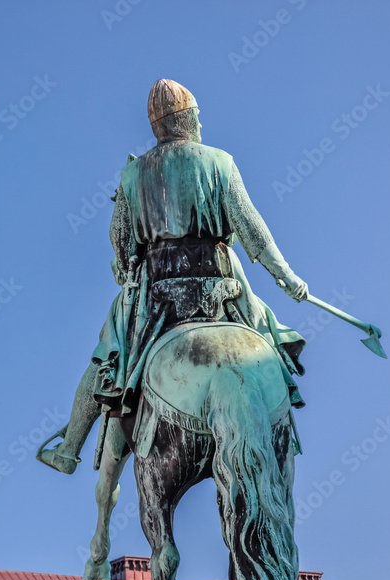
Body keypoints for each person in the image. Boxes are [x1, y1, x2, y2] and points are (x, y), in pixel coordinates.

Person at [38, 79, 308, 475]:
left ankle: (69, 449)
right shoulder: (220, 161)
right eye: (197, 116)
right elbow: (253, 229)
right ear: (189, 119)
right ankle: (279, 408)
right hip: (222, 281)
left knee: (108, 354)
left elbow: (121, 245)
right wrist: (286, 275)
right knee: (266, 335)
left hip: (159, 289)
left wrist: (128, 249)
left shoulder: (132, 174)